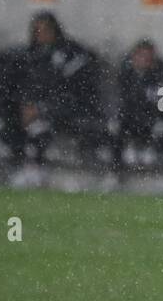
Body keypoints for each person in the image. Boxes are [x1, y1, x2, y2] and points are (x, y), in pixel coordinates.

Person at [13, 11, 103, 186]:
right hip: (40, 109)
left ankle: (36, 171)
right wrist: (26, 106)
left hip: (69, 111)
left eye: (45, 30)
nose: (41, 36)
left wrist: (41, 109)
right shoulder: (30, 56)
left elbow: (74, 95)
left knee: (40, 127)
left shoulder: (72, 56)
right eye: (37, 31)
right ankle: (25, 168)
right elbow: (25, 86)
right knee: (7, 120)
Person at [113, 38, 163, 176]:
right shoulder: (126, 75)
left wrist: (161, 120)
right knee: (115, 133)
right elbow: (118, 101)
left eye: (148, 57)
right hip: (131, 120)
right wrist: (117, 118)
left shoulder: (162, 76)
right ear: (134, 57)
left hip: (152, 121)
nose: (144, 60)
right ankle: (116, 173)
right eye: (141, 56)